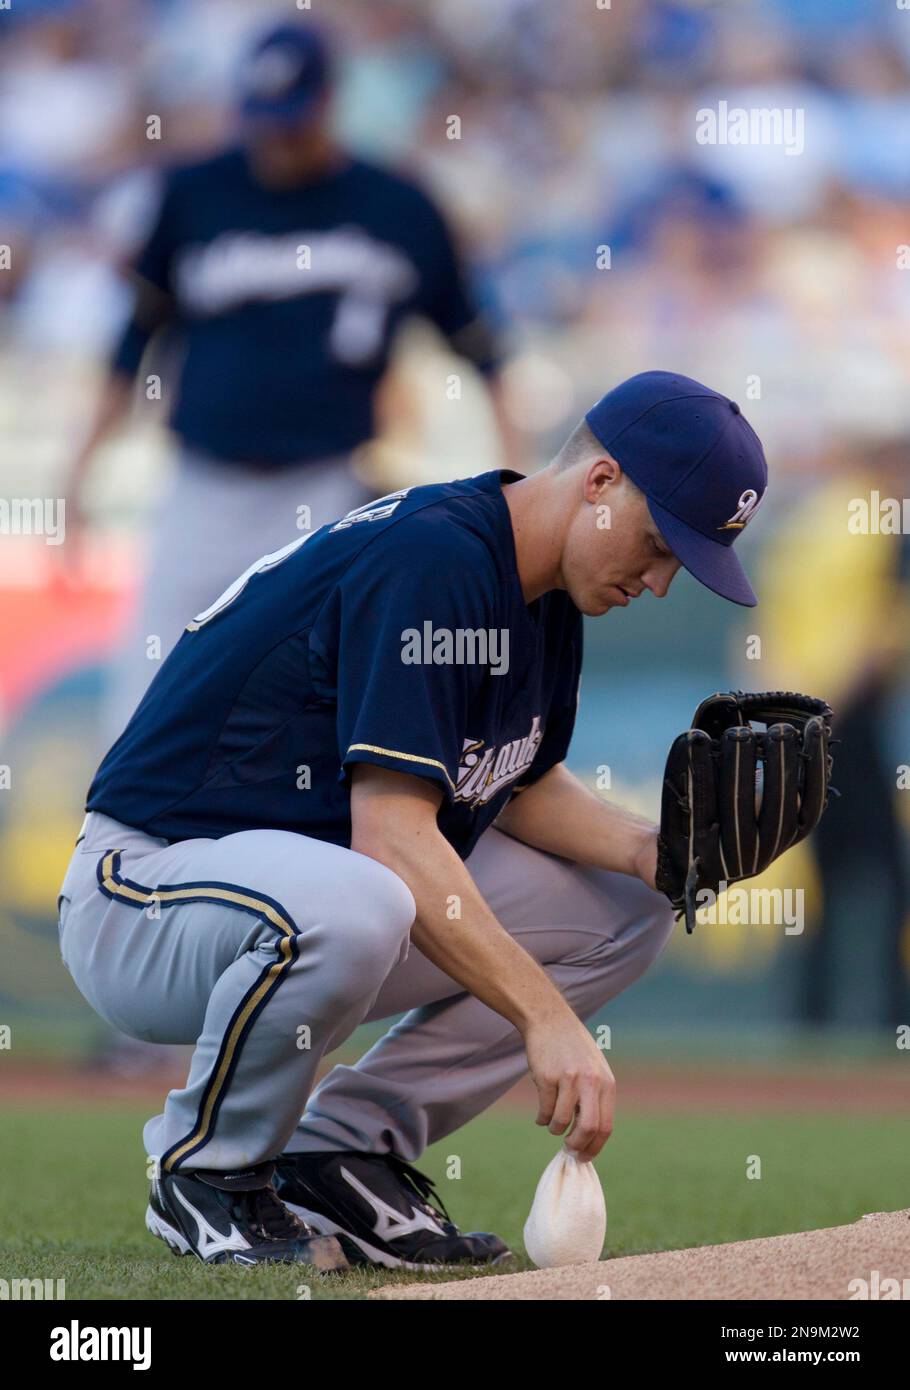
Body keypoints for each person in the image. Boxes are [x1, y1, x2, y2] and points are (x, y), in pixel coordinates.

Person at [56, 371, 768, 1271]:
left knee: (630, 909)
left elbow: (517, 783)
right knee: (364, 901)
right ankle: (208, 1171)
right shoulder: (437, 558)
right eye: (661, 543)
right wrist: (545, 1017)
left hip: (296, 896)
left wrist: (648, 851)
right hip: (146, 889)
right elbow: (393, 834)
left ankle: (342, 1153)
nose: (661, 582)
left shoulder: (543, 590)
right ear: (600, 482)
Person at [66, 21, 514, 742]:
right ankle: (132, 853)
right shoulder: (194, 192)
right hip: (203, 484)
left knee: (304, 703)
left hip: (328, 485)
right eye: (263, 122)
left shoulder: (396, 206)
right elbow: (134, 343)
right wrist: (77, 471)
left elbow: (483, 352)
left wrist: (511, 486)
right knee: (147, 702)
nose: (276, 143)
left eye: (293, 124)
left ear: (329, 103)